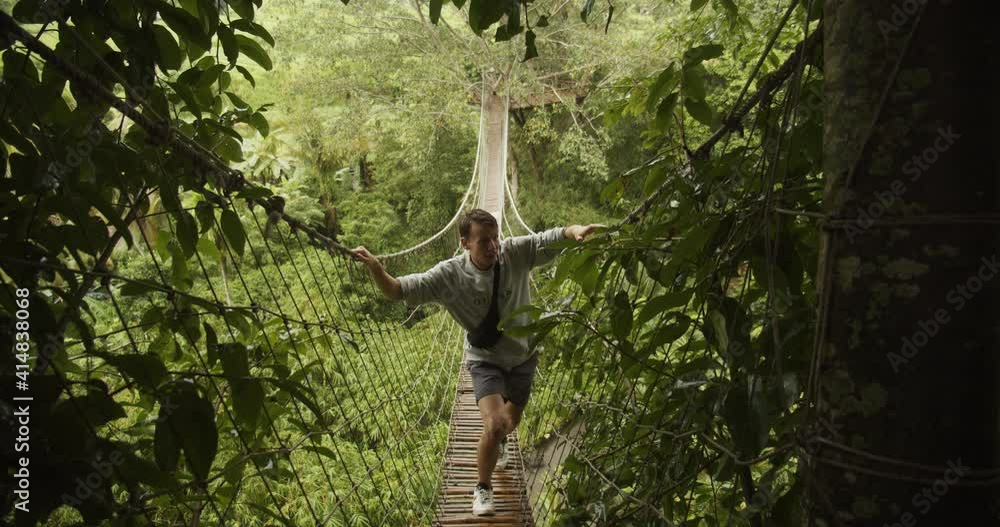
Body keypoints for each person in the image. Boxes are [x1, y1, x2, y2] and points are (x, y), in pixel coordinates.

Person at [352, 208, 601, 516]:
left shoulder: (514, 253)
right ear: (464, 243)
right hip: (485, 358)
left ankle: (501, 440)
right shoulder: (449, 275)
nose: (493, 246)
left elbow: (550, 238)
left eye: (495, 238)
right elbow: (397, 290)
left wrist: (574, 231)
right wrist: (376, 268)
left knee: (509, 423)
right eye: (484, 241)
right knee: (495, 425)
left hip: (523, 354)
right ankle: (482, 488)